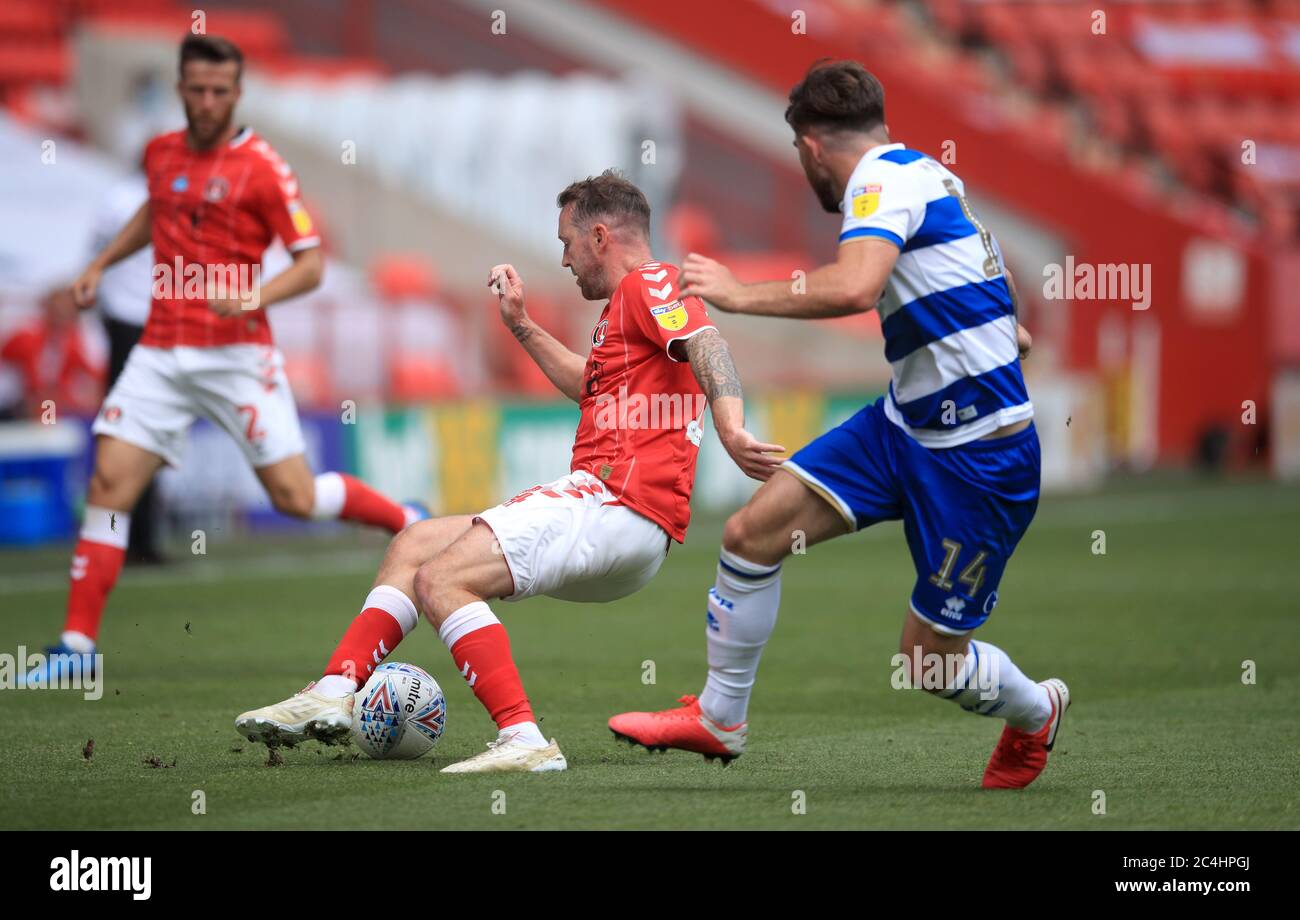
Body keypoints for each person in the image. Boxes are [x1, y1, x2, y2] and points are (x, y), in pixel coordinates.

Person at [608, 60, 1067, 790]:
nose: (804, 167)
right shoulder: (928, 174)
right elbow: (994, 275)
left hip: (981, 459)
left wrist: (739, 294)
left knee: (928, 663)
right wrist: (1003, 327)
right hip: (903, 427)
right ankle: (721, 719)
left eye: (799, 152)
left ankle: (1036, 711)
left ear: (812, 146)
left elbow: (857, 286)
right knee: (752, 534)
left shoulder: (878, 184)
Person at [234, 170, 783, 774]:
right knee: (415, 544)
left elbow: (707, 342)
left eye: (567, 243)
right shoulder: (626, 310)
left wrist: (732, 428)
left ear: (600, 236)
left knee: (442, 580)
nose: (565, 260)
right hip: (621, 523)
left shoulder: (650, 283)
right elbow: (589, 385)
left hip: (615, 504)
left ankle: (523, 739)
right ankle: (336, 689)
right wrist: (521, 323)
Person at [19, 35, 425, 688]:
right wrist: (99, 264)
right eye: (197, 89)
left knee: (294, 496)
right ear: (181, 90)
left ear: (237, 94)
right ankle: (77, 646)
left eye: (219, 91)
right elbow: (156, 211)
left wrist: (254, 296)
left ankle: (405, 520)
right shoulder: (162, 154)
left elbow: (311, 263)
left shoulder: (262, 168)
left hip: (237, 356)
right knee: (109, 484)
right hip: (160, 350)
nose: (207, 101)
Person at [89, 166, 165, 563]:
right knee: (137, 434)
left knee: (136, 433)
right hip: (138, 324)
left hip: (140, 323)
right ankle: (128, 539)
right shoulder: (128, 197)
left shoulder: (122, 196)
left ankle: (123, 538)